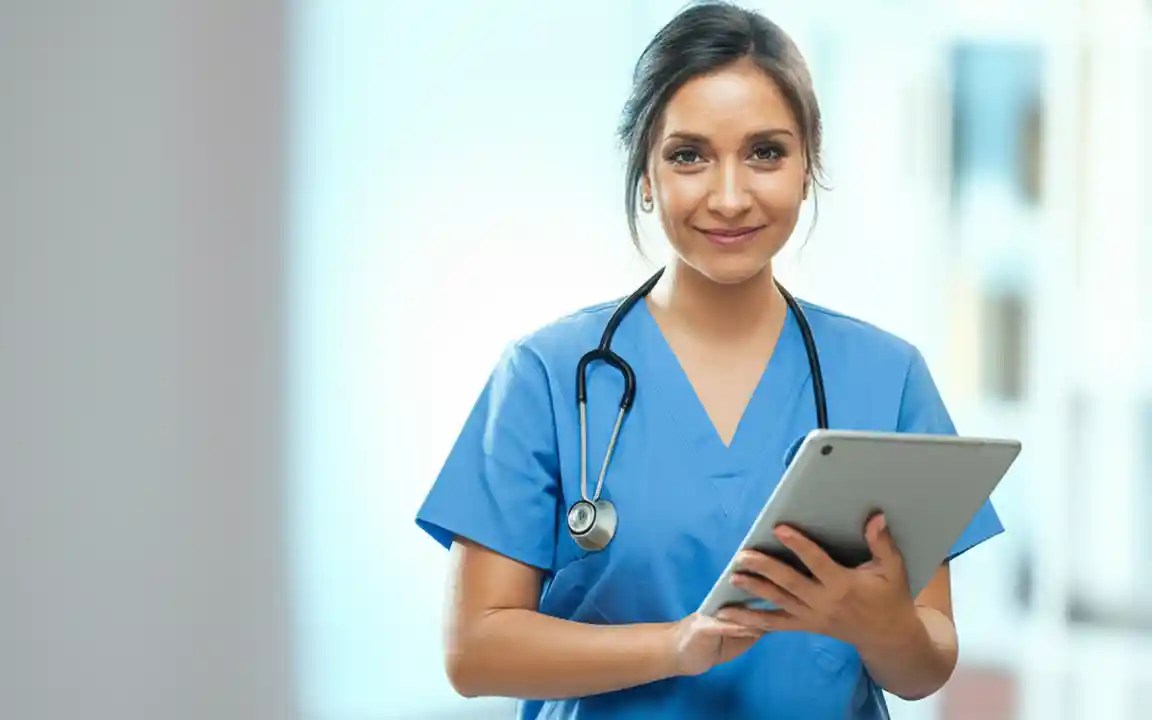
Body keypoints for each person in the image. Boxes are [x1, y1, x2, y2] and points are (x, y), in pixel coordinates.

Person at [414, 2, 1003, 717]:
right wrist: (676, 646)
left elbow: (925, 665)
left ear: (807, 167)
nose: (730, 197)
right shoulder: (548, 375)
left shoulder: (887, 377)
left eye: (766, 152)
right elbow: (475, 651)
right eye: (689, 155)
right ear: (645, 175)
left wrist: (882, 625)